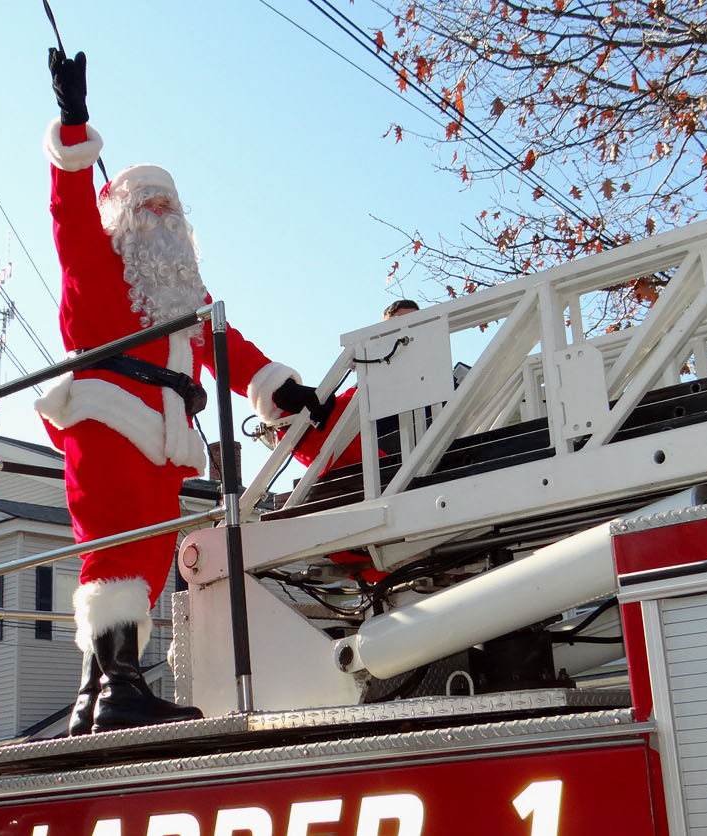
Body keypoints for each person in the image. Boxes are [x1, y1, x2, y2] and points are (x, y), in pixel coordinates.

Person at [36, 50, 330, 735]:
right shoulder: (95, 265)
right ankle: (118, 689)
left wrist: (281, 391)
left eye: (168, 204)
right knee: (113, 548)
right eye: (146, 203)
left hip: (166, 437)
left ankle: (98, 695)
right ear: (121, 215)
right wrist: (73, 124)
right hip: (107, 419)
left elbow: (233, 352)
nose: (160, 214)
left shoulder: (182, 295)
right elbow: (68, 209)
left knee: (142, 558)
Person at [286, 300, 420, 472]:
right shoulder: (363, 393)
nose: (405, 334)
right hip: (383, 468)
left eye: (413, 324)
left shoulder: (448, 385)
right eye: (397, 327)